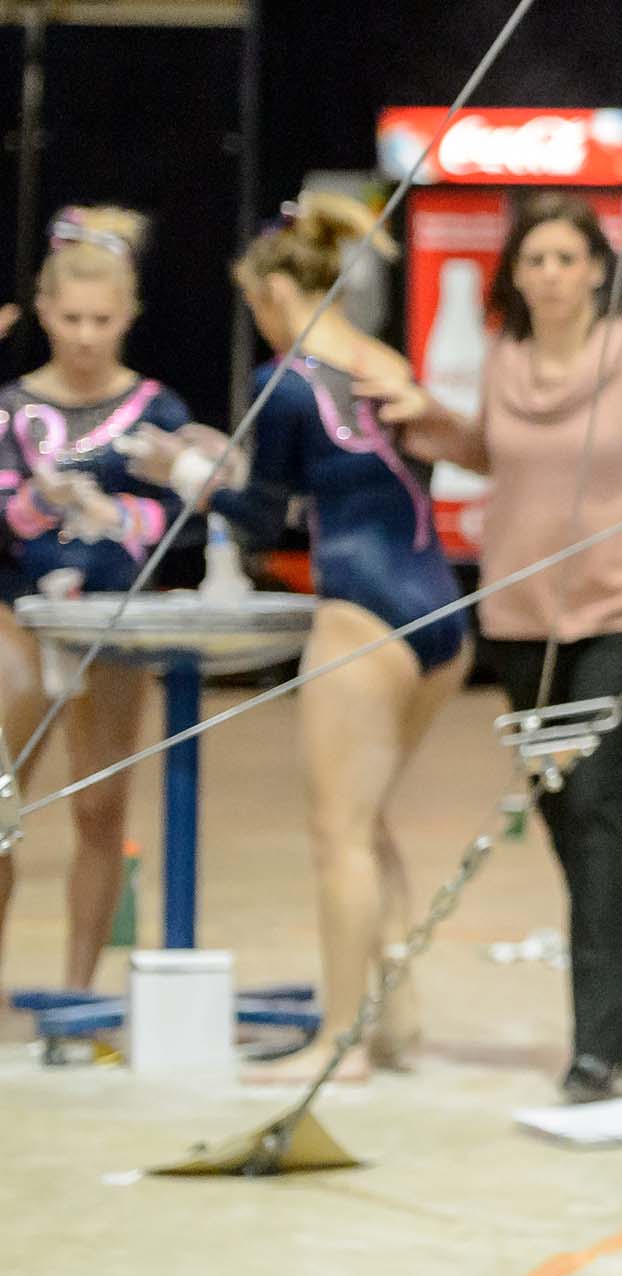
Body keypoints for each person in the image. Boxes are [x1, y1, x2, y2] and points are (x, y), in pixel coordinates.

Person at [376, 193, 622, 1103]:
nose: (550, 275)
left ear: (597, 270)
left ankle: (600, 1045)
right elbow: (497, 455)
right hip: (521, 619)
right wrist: (430, 421)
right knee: (570, 818)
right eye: (534, 259)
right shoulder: (507, 361)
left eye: (567, 258)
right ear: (515, 274)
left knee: (596, 791)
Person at [130, 194, 468, 1083]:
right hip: (441, 611)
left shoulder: (284, 381)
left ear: (277, 291)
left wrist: (185, 469)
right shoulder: (381, 362)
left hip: (363, 614)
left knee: (339, 834)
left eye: (256, 304)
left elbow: (258, 517)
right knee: (370, 819)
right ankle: (396, 1020)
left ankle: (339, 1041)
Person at [0, 208, 185, 997]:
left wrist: (117, 513)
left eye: (100, 321)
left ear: (129, 315)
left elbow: (176, 517)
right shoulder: (11, 409)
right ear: (43, 312)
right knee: (0, 801)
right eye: (70, 318)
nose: (83, 336)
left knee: (101, 806)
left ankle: (77, 990)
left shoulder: (157, 409)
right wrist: (35, 503)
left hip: (116, 623)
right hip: (18, 616)